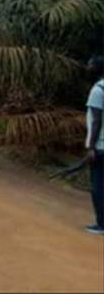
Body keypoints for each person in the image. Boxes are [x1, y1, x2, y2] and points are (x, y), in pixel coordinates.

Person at [85, 55, 104, 235]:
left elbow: (96, 121)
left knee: (98, 185)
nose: (87, 66)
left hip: (100, 146)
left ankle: (101, 224)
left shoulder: (98, 90)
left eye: (90, 64)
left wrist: (91, 147)